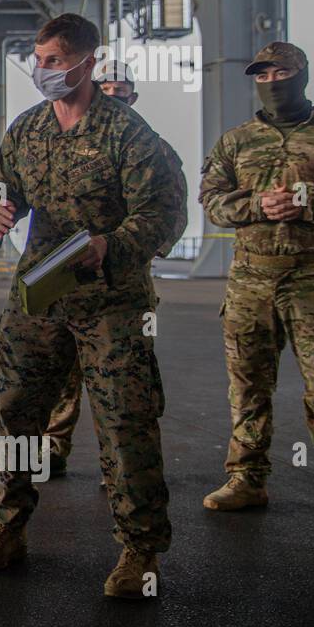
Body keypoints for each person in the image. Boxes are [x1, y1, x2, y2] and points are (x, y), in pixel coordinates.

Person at [0, 13, 182, 600]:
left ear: (89, 61)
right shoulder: (27, 129)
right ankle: (8, 527)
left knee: (123, 421)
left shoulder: (129, 135)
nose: (44, 71)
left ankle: (140, 550)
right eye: (39, 60)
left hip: (111, 302)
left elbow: (165, 214)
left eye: (56, 61)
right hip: (38, 296)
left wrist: (111, 244)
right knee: (14, 409)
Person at [199, 42, 314, 531]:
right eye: (262, 75)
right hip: (250, 277)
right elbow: (213, 202)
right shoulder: (235, 142)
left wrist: (309, 204)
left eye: (281, 72)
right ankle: (246, 478)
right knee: (247, 385)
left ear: (302, 75)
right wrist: (257, 206)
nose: (271, 81)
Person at [42, 60, 188, 478]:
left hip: (123, 280)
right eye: (102, 87)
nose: (110, 94)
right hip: (65, 277)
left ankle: (121, 465)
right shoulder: (61, 142)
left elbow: (172, 208)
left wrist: (146, 248)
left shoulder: (152, 147)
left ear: (133, 97)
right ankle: (52, 446)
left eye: (119, 89)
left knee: (125, 379)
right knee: (61, 369)